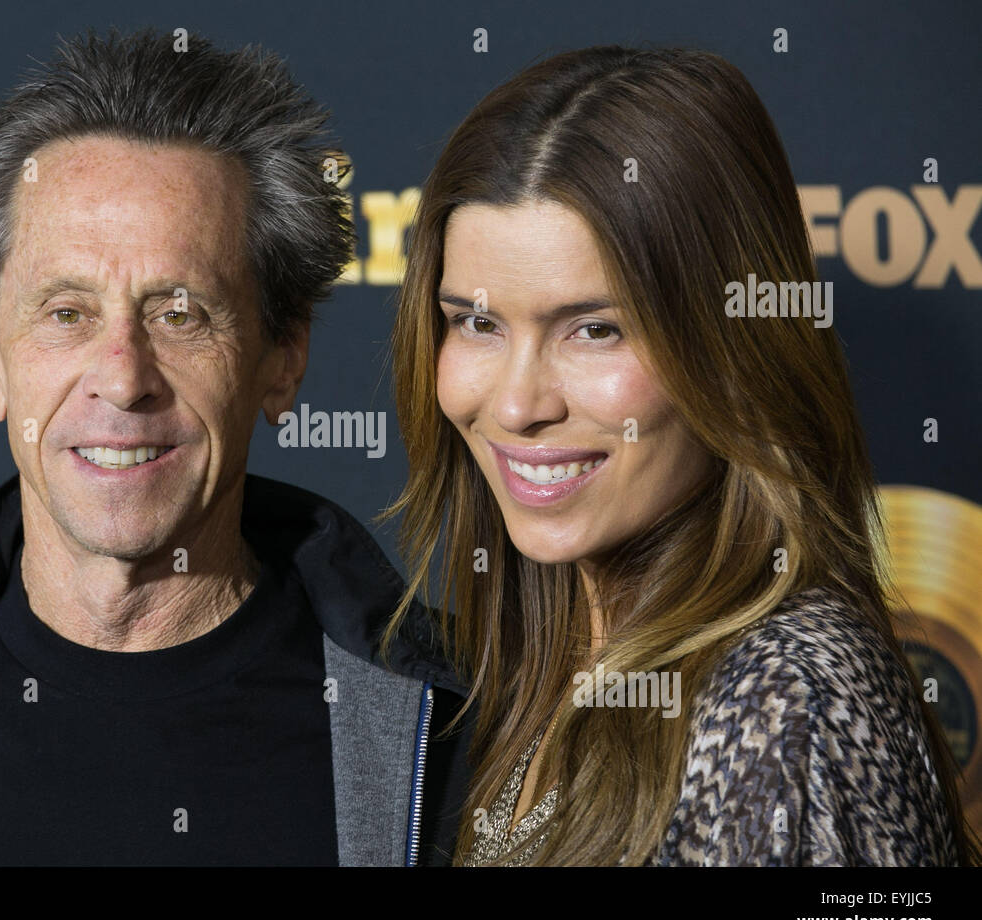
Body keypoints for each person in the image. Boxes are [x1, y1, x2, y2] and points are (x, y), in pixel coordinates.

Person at [0, 27, 471, 867]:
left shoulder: (460, 727)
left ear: (282, 358)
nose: (122, 376)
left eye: (180, 314)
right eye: (66, 313)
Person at [383, 45, 979, 866]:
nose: (519, 405)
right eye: (478, 324)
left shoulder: (785, 702)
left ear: (732, 350)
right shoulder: (534, 669)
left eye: (596, 329)